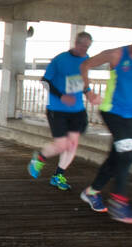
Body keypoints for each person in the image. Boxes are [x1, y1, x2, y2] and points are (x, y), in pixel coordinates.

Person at [77, 21, 132, 223]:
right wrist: (88, 91)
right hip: (113, 112)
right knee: (127, 155)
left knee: (116, 158)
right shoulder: (116, 54)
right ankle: (119, 204)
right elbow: (85, 65)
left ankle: (91, 192)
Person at [28, 30, 93, 191]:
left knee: (72, 145)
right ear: (76, 43)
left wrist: (89, 93)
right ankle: (40, 158)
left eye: (88, 47)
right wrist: (61, 96)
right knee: (61, 145)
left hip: (77, 109)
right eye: (83, 46)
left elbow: (82, 82)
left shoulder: (86, 59)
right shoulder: (60, 59)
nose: (85, 50)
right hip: (57, 109)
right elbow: (44, 81)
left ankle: (58, 175)